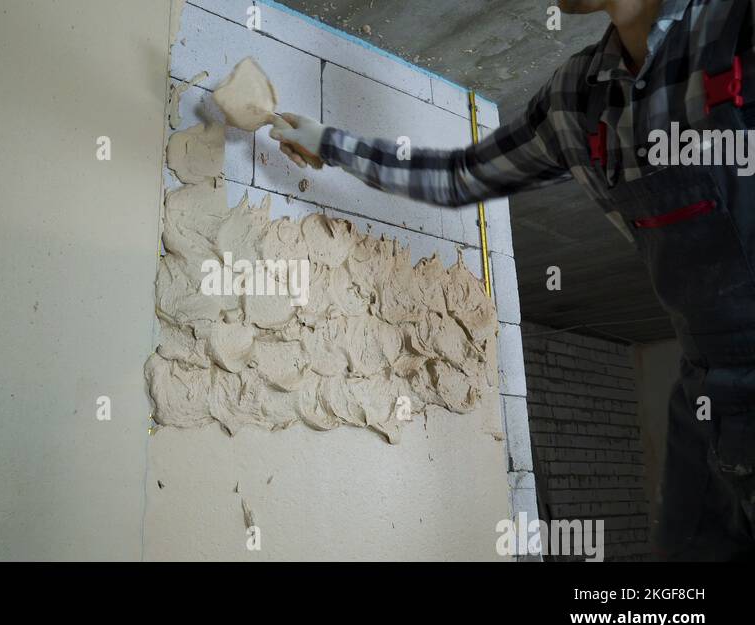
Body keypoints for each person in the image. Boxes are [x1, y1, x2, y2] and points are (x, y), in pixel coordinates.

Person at [269, 0, 755, 561]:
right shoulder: (579, 95)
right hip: (705, 391)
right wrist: (329, 143)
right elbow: (461, 176)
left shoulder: (731, 26)